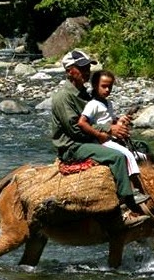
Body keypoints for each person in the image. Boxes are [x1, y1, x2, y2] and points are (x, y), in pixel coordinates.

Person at [50, 49, 148, 227]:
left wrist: (117, 122)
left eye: (87, 68)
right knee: (117, 157)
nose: (87, 72)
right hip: (73, 146)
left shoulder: (85, 94)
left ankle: (143, 187)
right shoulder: (63, 97)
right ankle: (126, 207)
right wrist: (110, 130)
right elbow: (76, 130)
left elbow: (98, 118)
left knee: (141, 147)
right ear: (70, 71)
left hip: (89, 139)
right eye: (82, 68)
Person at [78, 70, 148, 200]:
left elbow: (109, 121)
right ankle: (131, 191)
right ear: (94, 85)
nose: (107, 90)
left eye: (110, 86)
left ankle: (146, 181)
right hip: (102, 141)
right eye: (103, 86)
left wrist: (119, 121)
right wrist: (98, 134)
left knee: (142, 154)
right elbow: (82, 122)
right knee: (126, 155)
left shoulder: (108, 103)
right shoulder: (92, 104)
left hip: (111, 138)